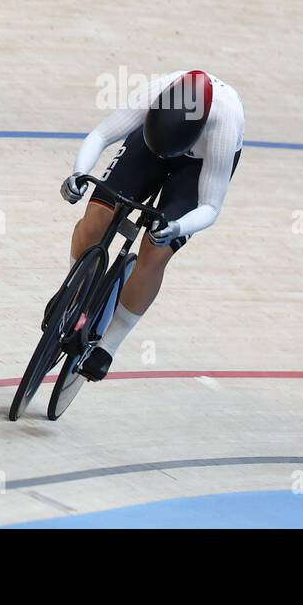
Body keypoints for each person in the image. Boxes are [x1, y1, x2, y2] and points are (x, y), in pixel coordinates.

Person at [62, 70, 244, 380]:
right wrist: (78, 173)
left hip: (196, 169)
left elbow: (210, 207)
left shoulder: (225, 124)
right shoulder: (154, 92)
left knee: (156, 252)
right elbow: (101, 135)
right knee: (97, 218)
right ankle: (74, 294)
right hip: (148, 145)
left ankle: (109, 344)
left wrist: (176, 229)